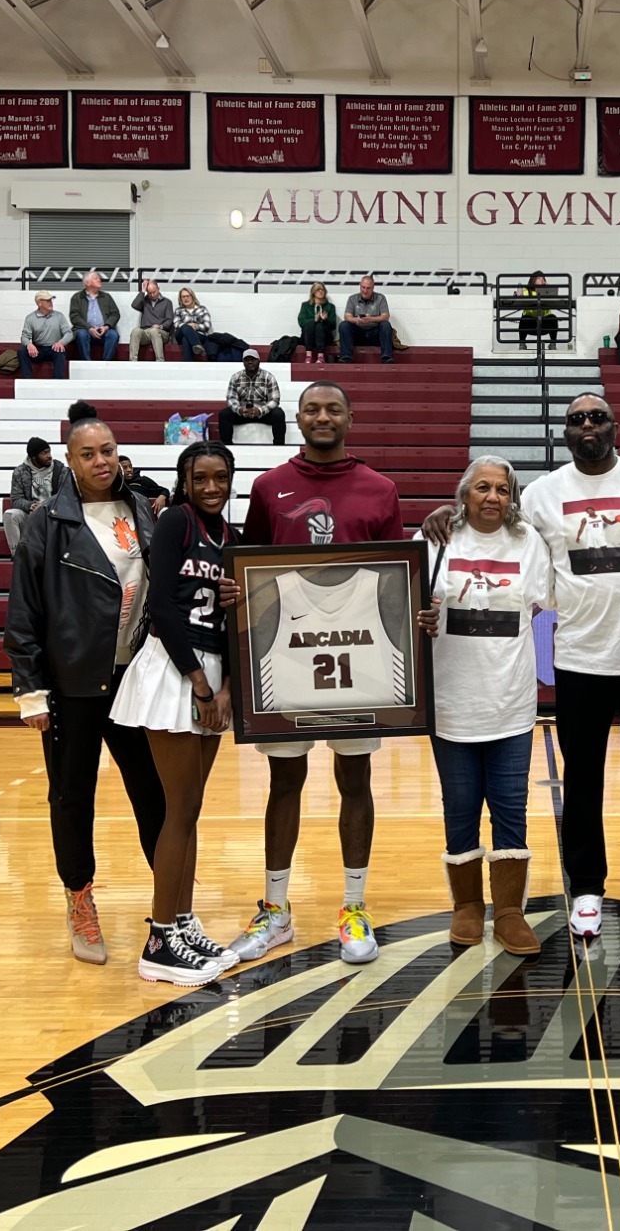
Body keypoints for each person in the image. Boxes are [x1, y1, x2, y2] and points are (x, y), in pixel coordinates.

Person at [475, 393, 620, 943]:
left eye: (597, 417)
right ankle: (588, 888)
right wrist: (445, 513)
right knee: (581, 782)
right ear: (566, 433)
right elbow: (497, 535)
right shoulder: (543, 494)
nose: (588, 425)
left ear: (614, 426)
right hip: (577, 658)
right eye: (577, 420)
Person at [233, 381, 405, 965]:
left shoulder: (380, 489)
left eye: (333, 408)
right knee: (285, 783)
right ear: (298, 417)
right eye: (312, 408)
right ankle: (276, 910)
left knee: (354, 780)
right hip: (289, 659)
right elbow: (253, 573)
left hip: (357, 662)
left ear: (351, 418)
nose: (323, 416)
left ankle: (354, 906)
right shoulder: (267, 487)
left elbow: (393, 582)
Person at [5, 410, 167, 965]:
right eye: (88, 454)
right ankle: (80, 901)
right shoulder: (46, 522)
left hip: (134, 680)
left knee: (154, 795)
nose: (101, 462)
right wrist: (30, 690)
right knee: (73, 798)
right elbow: (23, 612)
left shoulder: (142, 508)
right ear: (69, 462)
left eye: (108, 451)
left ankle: (171, 909)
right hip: (73, 683)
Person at [109, 441, 246, 986]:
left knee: (191, 810)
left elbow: (239, 619)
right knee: (179, 809)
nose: (211, 487)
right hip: (174, 669)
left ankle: (183, 921)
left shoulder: (232, 539)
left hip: (213, 675)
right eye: (201, 478)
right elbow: (163, 602)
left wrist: (229, 686)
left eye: (220, 478)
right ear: (185, 481)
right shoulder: (175, 523)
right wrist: (200, 682)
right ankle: (160, 939)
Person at [418, 456, 552, 955]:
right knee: (460, 810)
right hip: (452, 700)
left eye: (502, 489)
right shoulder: (434, 539)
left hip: (510, 702)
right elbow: (408, 605)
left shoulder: (528, 542)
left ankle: (511, 911)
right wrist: (420, 620)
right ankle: (467, 906)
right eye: (482, 487)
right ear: (464, 494)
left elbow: (548, 599)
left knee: (510, 810)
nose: (492, 496)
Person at [4, 437, 67, 553]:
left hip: (53, 515)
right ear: (34, 457)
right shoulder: (20, 472)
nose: (49, 456)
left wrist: (48, 506)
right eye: (44, 453)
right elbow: (16, 499)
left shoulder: (61, 470)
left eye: (49, 451)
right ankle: (18, 556)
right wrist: (30, 505)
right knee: (10, 515)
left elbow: (67, 496)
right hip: (31, 516)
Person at [218, 351, 285, 446]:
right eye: (247, 360)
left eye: (253, 359)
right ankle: (227, 446)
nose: (250, 362)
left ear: (258, 361)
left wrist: (260, 410)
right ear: (243, 362)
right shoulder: (235, 377)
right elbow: (231, 398)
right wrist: (240, 410)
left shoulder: (268, 377)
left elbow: (275, 400)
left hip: (262, 413)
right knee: (224, 414)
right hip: (243, 413)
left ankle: (279, 446)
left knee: (278, 413)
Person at [338, 274, 394, 363]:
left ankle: (386, 356)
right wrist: (356, 320)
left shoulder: (381, 298)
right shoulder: (352, 299)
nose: (365, 290)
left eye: (368, 288)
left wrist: (371, 319)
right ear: (360, 286)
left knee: (385, 324)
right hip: (358, 333)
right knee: (344, 325)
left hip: (375, 334)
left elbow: (385, 316)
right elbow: (347, 316)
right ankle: (346, 356)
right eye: (363, 287)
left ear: (373, 288)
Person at [70, 271, 121, 363]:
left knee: (113, 335)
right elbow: (74, 316)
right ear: (87, 283)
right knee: (81, 334)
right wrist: (88, 328)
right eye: (96, 278)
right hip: (85, 330)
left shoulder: (106, 297)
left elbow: (115, 314)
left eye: (99, 278)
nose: (99, 280)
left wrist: (107, 326)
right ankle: (87, 362)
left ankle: (106, 362)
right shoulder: (77, 297)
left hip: (103, 331)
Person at [19, 293, 72, 379]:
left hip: (54, 348)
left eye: (51, 300)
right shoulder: (30, 318)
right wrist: (29, 344)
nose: (50, 302)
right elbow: (24, 336)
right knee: (22, 351)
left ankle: (58, 381)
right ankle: (27, 380)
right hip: (38, 350)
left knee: (60, 351)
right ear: (39, 303)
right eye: (47, 300)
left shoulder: (59, 316)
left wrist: (61, 342)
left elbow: (69, 333)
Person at [128, 278, 176, 363]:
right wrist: (143, 291)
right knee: (135, 331)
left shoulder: (167, 302)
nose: (152, 295)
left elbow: (169, 320)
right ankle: (133, 361)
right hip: (145, 332)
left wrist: (160, 326)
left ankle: (160, 361)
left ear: (158, 288)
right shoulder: (144, 301)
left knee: (154, 331)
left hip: (161, 332)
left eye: (154, 292)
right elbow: (134, 305)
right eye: (150, 293)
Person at [295, 283, 335, 366]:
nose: (320, 292)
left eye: (322, 290)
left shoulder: (330, 307)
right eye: (318, 290)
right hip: (308, 335)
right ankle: (308, 355)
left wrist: (325, 320)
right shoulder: (305, 306)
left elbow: (333, 325)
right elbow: (301, 322)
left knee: (319, 326)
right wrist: (315, 319)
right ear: (313, 292)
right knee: (311, 324)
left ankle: (320, 356)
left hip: (325, 337)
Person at [516, 270, 560, 344]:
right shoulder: (526, 290)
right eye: (539, 278)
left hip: (544, 321)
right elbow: (519, 300)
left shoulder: (548, 292)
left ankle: (553, 343)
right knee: (524, 319)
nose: (542, 280)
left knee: (553, 318)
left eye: (543, 278)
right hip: (531, 322)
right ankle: (522, 343)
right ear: (533, 280)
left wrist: (547, 288)